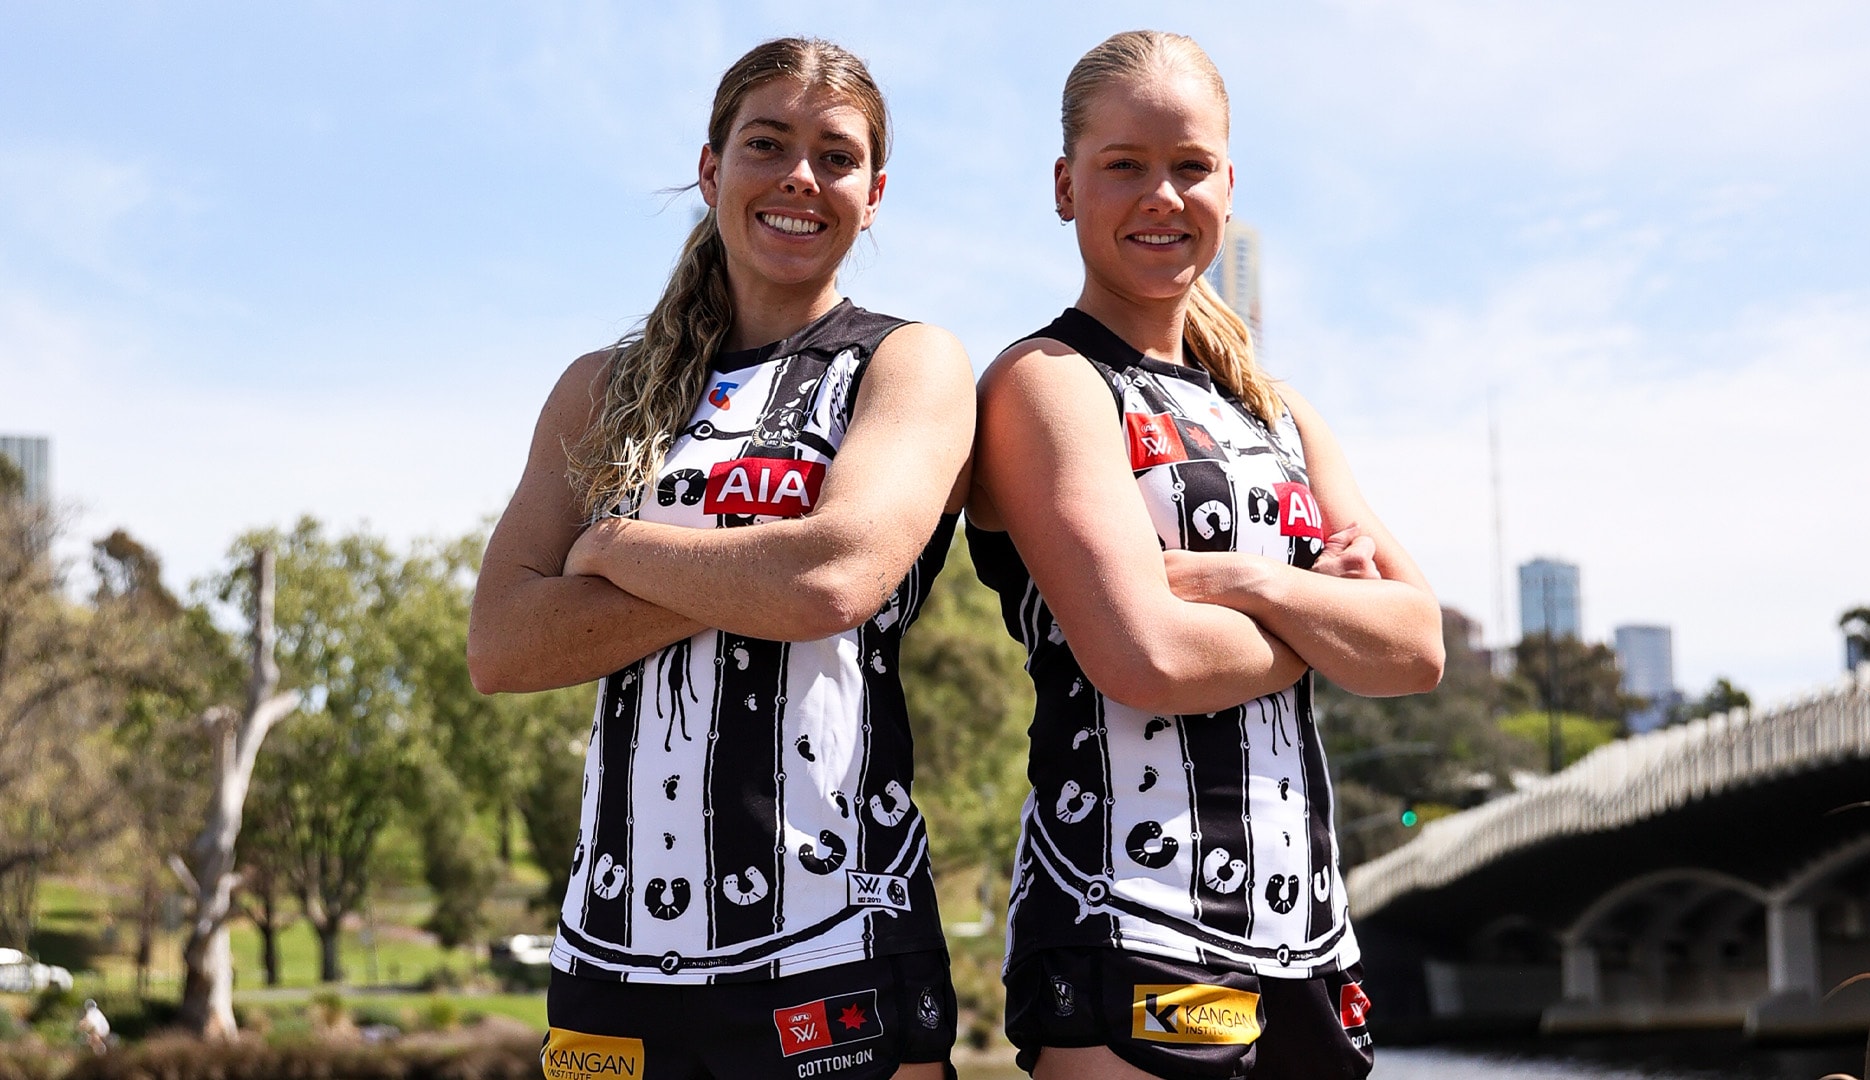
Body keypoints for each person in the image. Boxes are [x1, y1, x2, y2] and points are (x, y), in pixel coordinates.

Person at [468, 37, 973, 1080]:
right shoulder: (599, 390)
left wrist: (613, 547)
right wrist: (763, 577)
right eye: (767, 144)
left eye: (835, 157)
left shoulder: (908, 362)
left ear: (874, 195)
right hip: (610, 956)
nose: (801, 177)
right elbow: (504, 644)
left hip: (839, 939)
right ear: (711, 171)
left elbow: (833, 582)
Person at [965, 30, 1445, 1080]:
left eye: (1190, 166)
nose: (1162, 196)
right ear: (1065, 186)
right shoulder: (1046, 383)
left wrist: (1248, 583)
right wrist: (1324, 618)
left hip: (1310, 938)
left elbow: (1416, 647)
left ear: (1229, 184)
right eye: (1124, 165)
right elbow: (1147, 658)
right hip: (1124, 920)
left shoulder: (1279, 412)